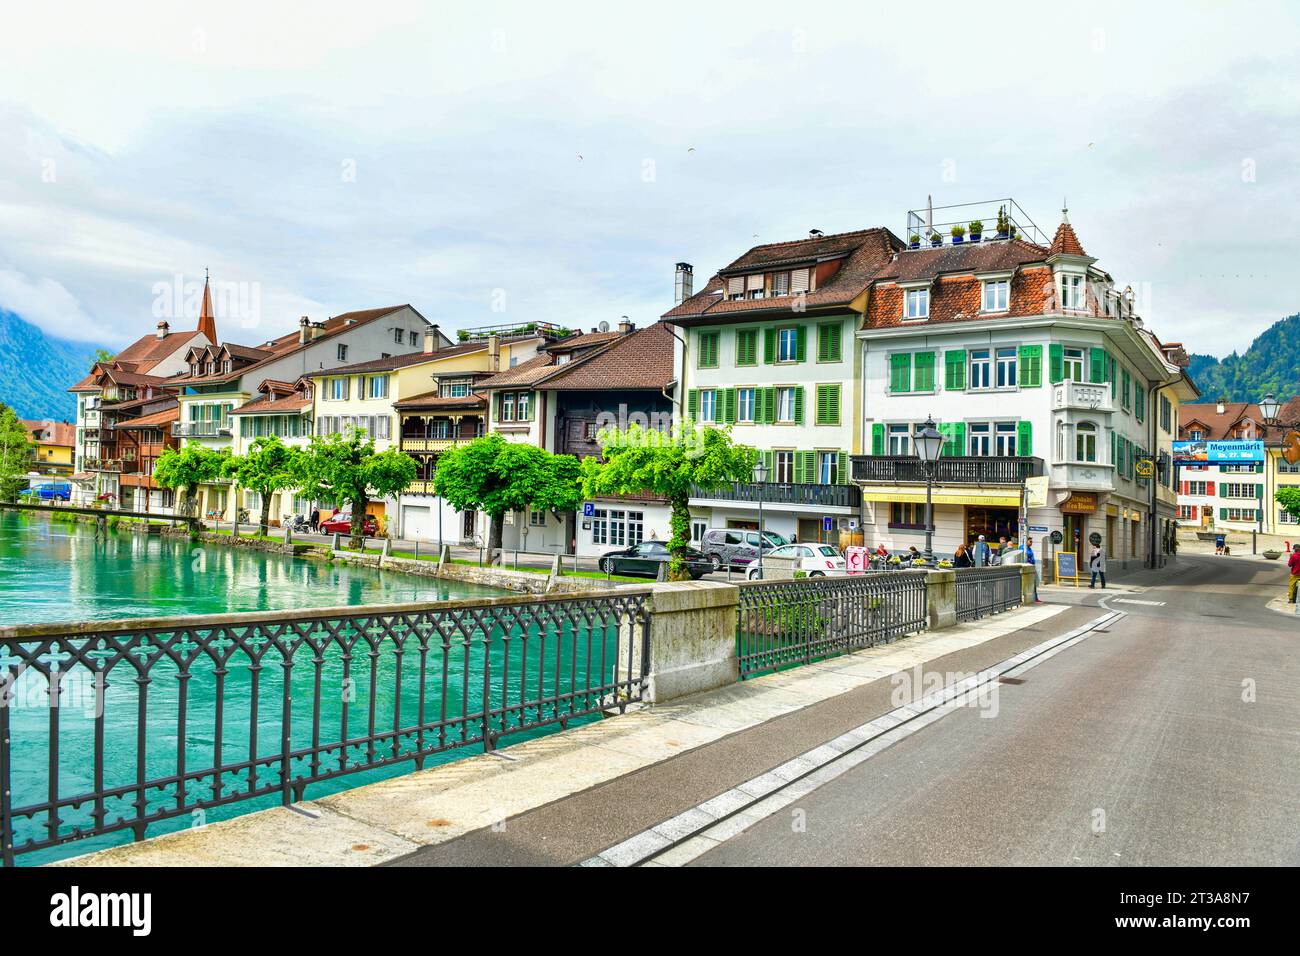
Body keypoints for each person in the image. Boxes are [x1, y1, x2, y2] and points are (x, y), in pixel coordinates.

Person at [1026, 536, 1041, 602]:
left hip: (1031, 567)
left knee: (1033, 583)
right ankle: (1034, 598)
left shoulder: (1029, 548)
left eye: (1032, 541)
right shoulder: (1023, 548)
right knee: (1030, 584)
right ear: (1026, 541)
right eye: (1030, 541)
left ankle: (1035, 598)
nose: (1031, 543)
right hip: (1028, 567)